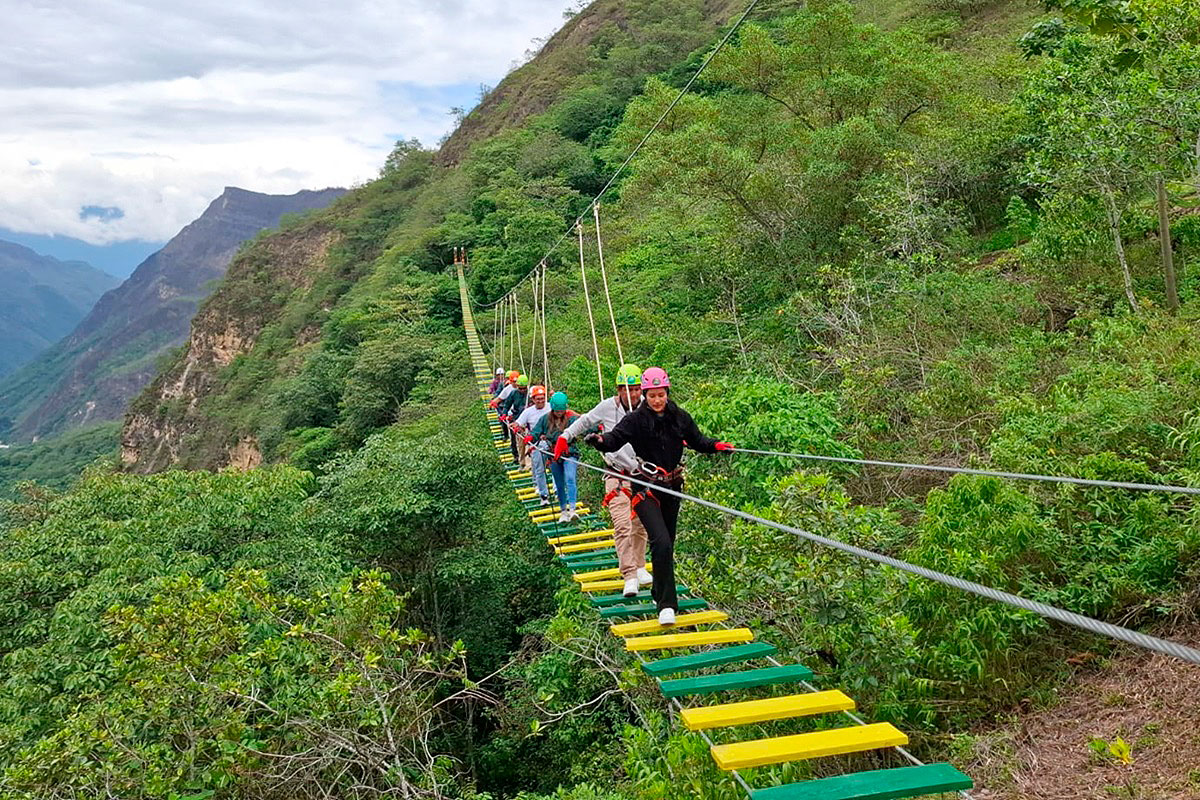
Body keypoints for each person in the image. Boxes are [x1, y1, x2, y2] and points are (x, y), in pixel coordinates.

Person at [585, 367, 733, 626]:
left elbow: (697, 440)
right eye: (652, 396)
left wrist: (717, 446)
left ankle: (657, 594)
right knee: (661, 542)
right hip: (645, 487)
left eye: (661, 395)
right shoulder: (636, 420)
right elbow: (614, 439)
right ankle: (667, 605)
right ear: (645, 395)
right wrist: (598, 440)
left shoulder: (679, 417)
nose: (656, 400)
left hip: (672, 488)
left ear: (667, 392)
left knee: (668, 546)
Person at [557, 364, 651, 598]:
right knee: (622, 525)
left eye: (637, 389)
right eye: (628, 389)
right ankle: (629, 575)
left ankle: (639, 566)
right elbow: (585, 421)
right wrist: (565, 436)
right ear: (619, 390)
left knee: (641, 525)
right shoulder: (608, 407)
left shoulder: (649, 408)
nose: (633, 394)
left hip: (643, 475)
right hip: (616, 474)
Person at [533, 391, 580, 523]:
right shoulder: (545, 419)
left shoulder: (571, 418)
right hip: (553, 454)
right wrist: (531, 437)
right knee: (559, 483)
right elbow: (537, 430)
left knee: (570, 478)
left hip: (569, 452)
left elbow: (584, 425)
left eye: (561, 411)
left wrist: (596, 428)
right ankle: (563, 511)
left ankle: (572, 509)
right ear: (553, 409)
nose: (559, 413)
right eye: (557, 411)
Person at [515, 385, 551, 487]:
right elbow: (518, 422)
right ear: (533, 399)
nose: (540, 401)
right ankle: (538, 486)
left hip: (551, 440)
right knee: (538, 466)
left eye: (542, 398)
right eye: (538, 399)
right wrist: (515, 426)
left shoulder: (551, 406)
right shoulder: (528, 412)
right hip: (535, 441)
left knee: (554, 464)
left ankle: (556, 489)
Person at [500, 375, 530, 462]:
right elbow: (507, 404)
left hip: (529, 421)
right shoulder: (513, 393)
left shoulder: (530, 394)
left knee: (529, 442)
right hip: (517, 419)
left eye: (524, 388)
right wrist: (504, 413)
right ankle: (519, 458)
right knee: (517, 440)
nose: (522, 390)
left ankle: (529, 461)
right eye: (520, 388)